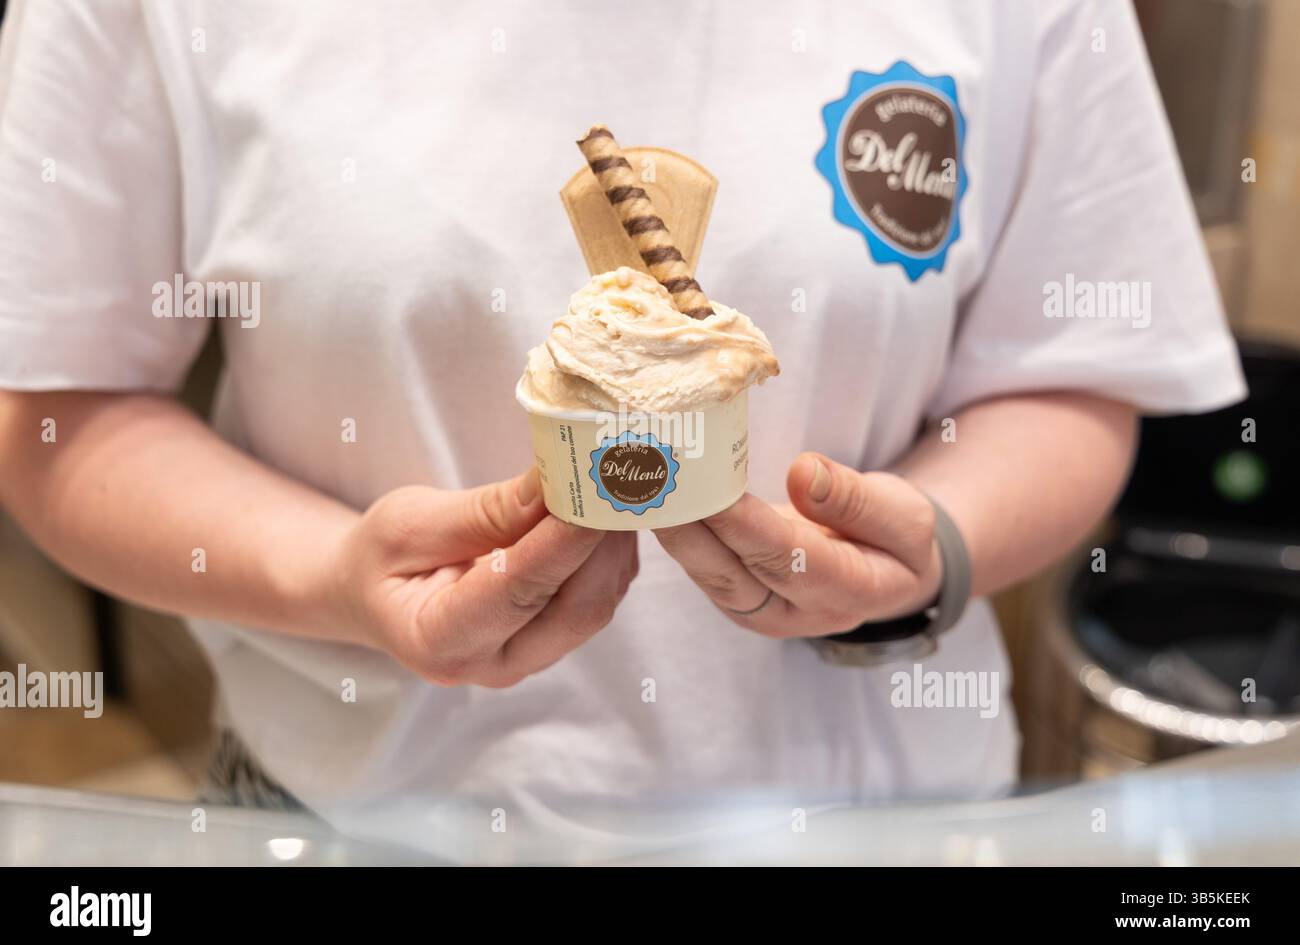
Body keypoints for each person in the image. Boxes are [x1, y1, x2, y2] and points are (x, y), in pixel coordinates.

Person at [0, 0, 1243, 854]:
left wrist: (935, 549)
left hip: (879, 829)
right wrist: (330, 578)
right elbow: (57, 412)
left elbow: (1071, 377)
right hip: (350, 820)